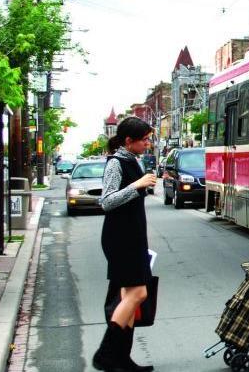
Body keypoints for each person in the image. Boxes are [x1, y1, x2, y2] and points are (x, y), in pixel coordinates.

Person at [93, 117, 157, 372]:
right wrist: (137, 185)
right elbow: (106, 202)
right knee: (138, 294)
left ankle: (122, 359)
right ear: (128, 141)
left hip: (132, 236)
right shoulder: (116, 163)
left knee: (128, 297)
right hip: (120, 239)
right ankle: (105, 354)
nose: (148, 143)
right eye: (144, 139)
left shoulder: (132, 160)